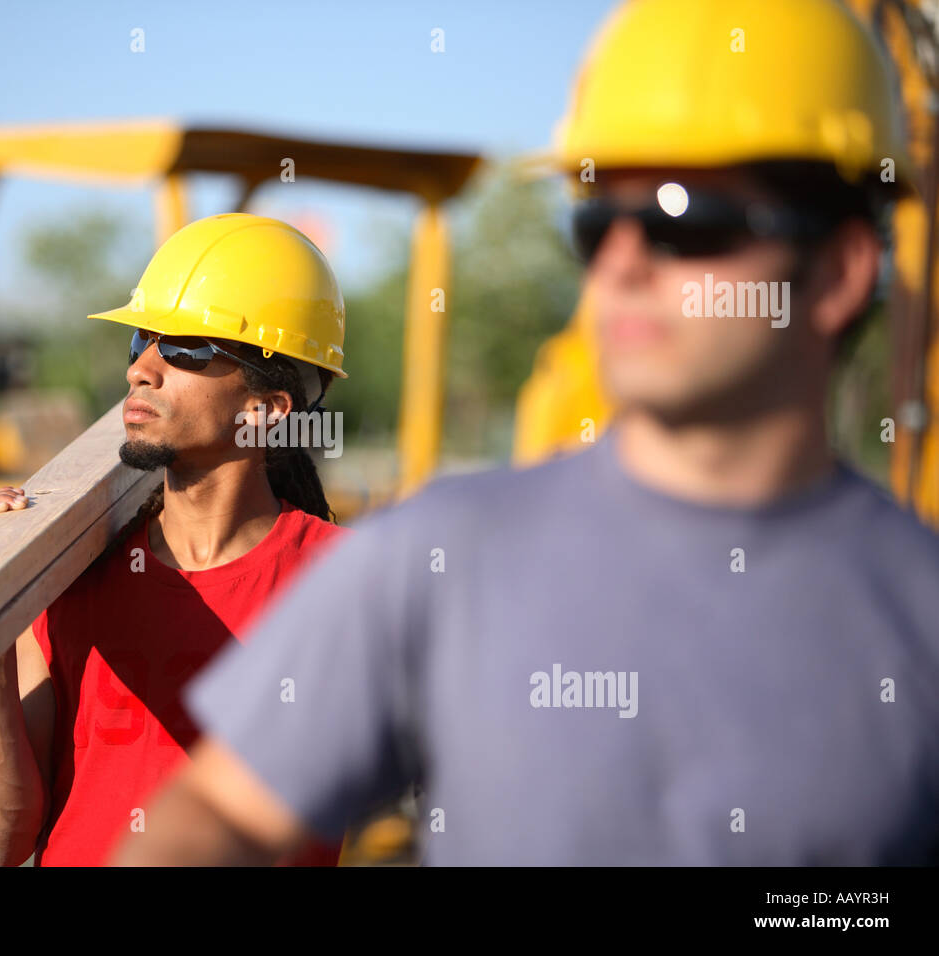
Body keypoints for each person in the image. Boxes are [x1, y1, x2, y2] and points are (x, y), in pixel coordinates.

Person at [113, 0, 939, 865]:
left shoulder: (914, 624)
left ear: (843, 270)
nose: (622, 260)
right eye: (597, 219)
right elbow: (217, 816)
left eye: (681, 215)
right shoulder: (436, 558)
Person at [0, 213, 350, 866]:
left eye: (186, 348)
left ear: (266, 410)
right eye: (142, 339)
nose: (143, 368)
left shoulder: (349, 586)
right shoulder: (72, 571)